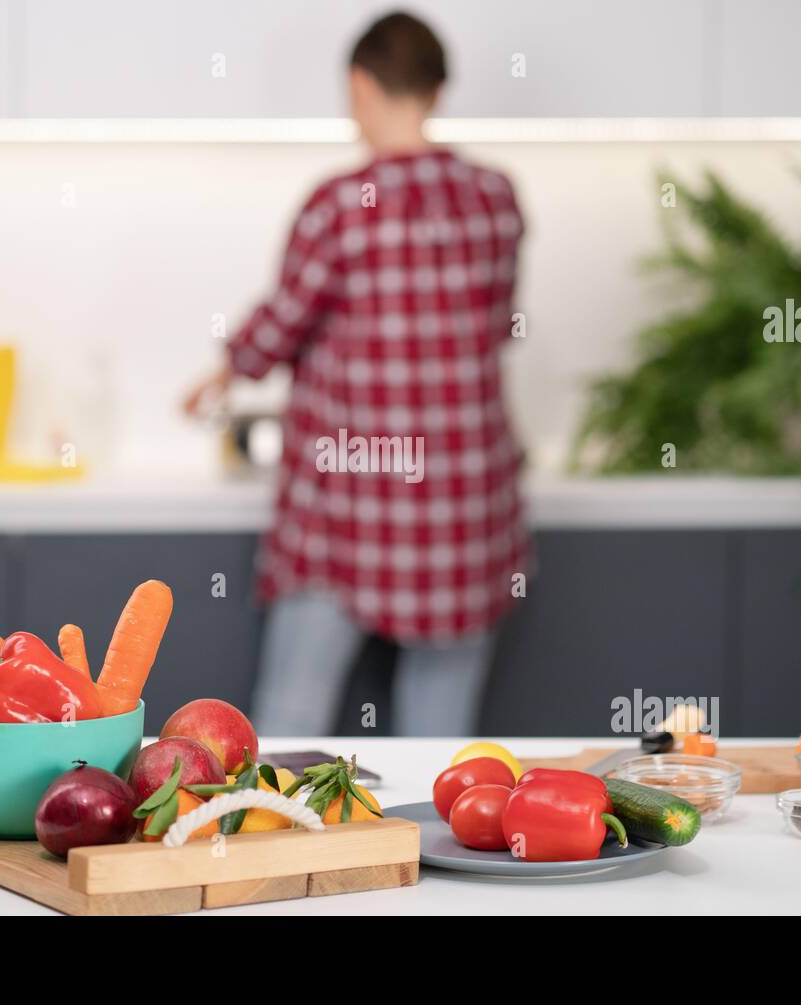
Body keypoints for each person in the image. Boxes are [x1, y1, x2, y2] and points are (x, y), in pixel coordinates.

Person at [182, 11, 528, 736]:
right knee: (442, 745)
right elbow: (497, 326)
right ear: (435, 91)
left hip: (350, 509)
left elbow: (280, 326)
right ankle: (435, 849)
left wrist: (225, 371)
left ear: (359, 86)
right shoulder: (494, 198)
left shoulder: (341, 205)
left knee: (289, 721)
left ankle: (274, 842)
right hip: (463, 502)